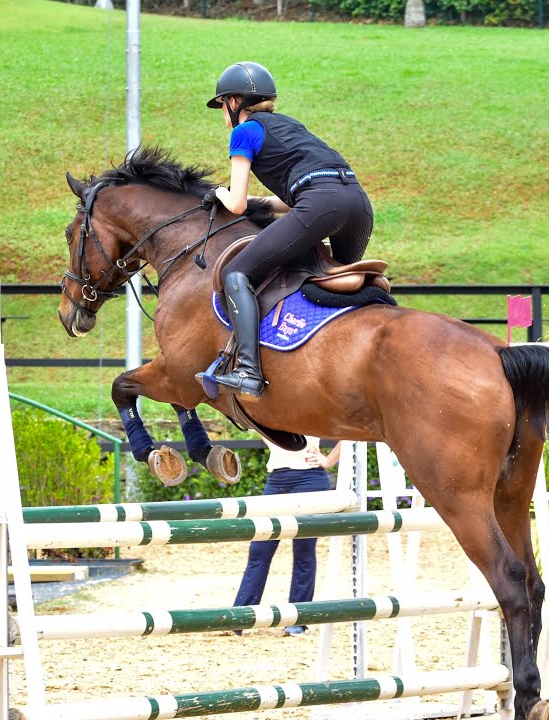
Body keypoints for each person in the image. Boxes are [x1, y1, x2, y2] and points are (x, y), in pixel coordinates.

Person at [203, 61, 374, 401]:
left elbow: (234, 204)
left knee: (237, 273)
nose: (223, 112)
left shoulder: (245, 131)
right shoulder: (292, 126)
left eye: (222, 104)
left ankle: (249, 372)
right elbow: (299, 197)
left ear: (234, 102)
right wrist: (255, 202)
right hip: (357, 203)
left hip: (322, 203)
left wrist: (217, 193)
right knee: (337, 281)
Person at [230, 436, 342, 636]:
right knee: (259, 550)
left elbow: (352, 433)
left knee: (304, 550)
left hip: (310, 479)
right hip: (276, 479)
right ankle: (240, 617)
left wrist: (329, 460)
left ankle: (298, 618)